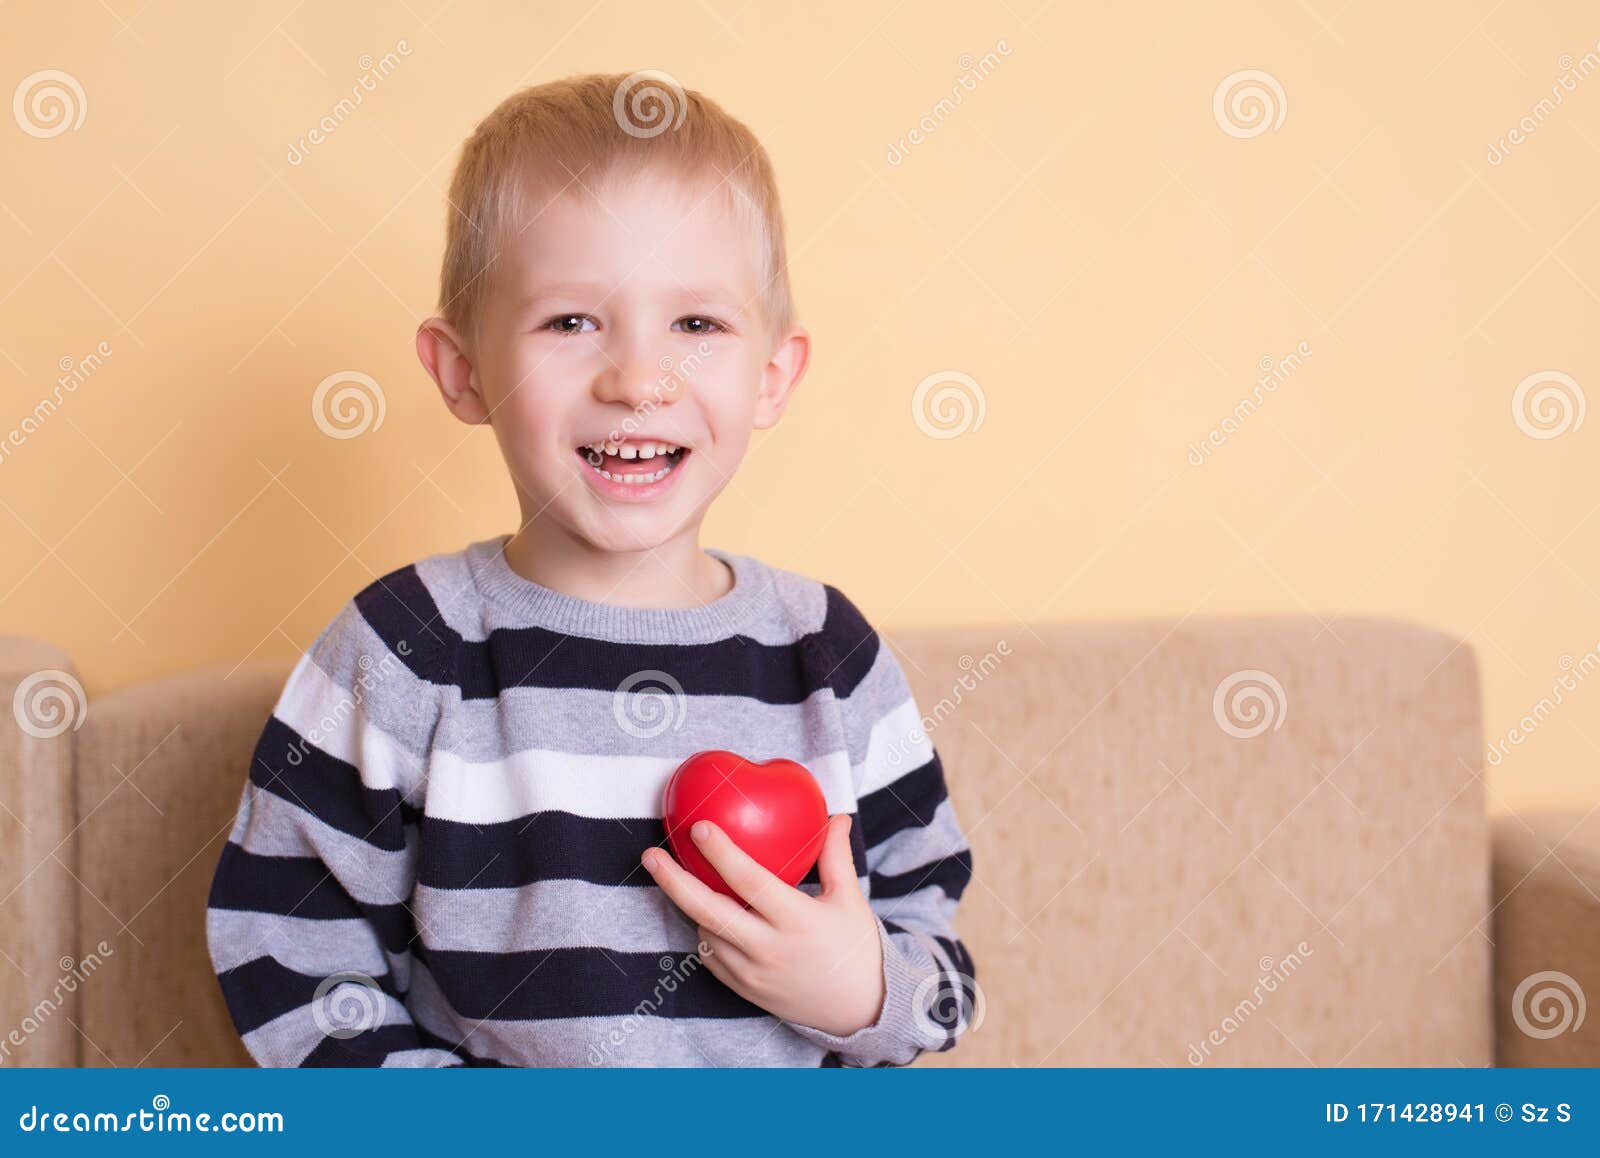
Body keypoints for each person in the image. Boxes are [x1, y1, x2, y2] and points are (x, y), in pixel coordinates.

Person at [205, 72, 976, 1067]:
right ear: (463, 371)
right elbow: (289, 949)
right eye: (572, 322)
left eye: (696, 326)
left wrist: (862, 986)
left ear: (771, 375)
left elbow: (940, 964)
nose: (637, 379)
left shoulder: (827, 654)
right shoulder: (406, 649)